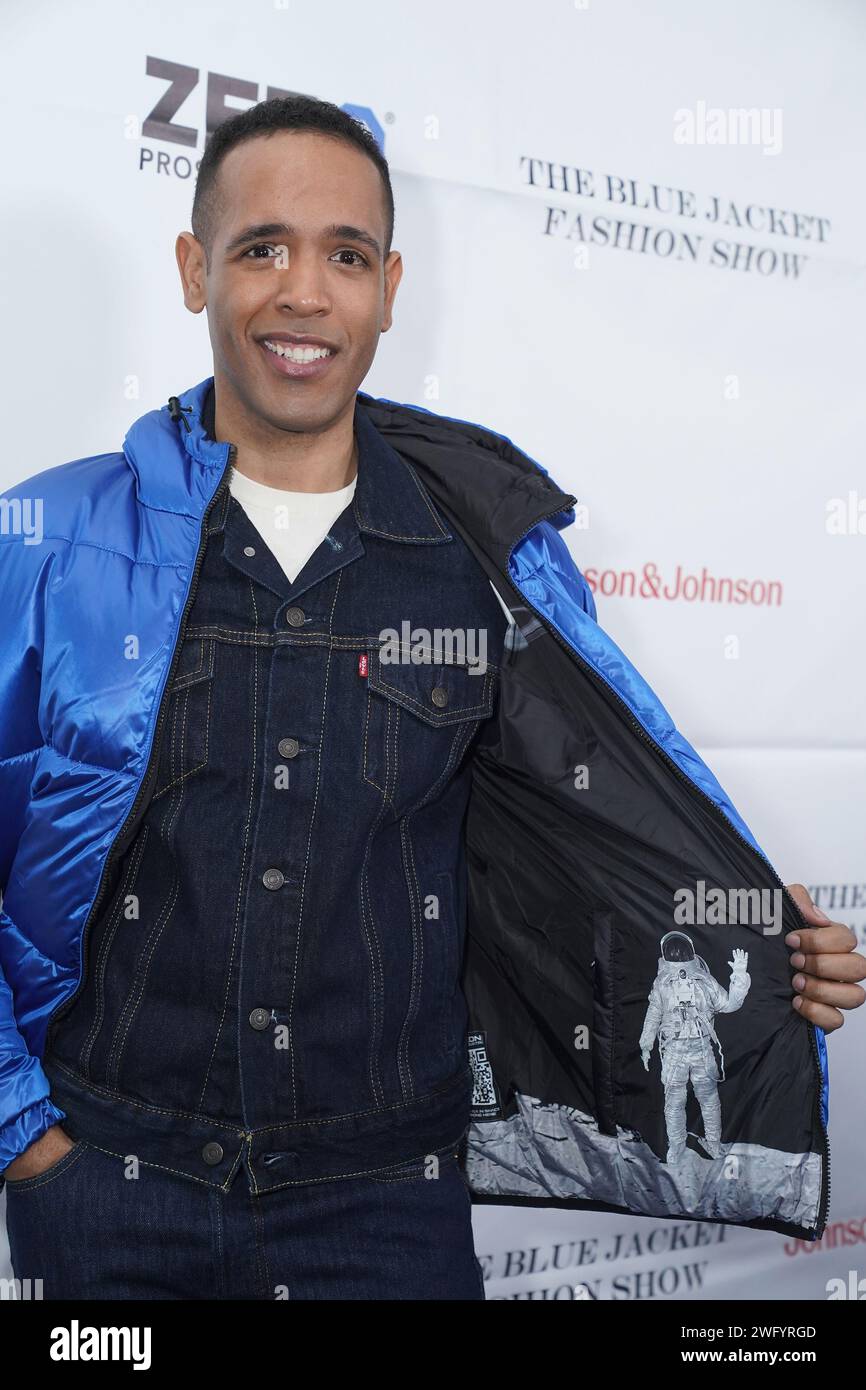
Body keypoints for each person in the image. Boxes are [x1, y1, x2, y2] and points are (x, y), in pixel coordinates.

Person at [2, 95, 864, 1300]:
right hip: (106, 1202)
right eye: (262, 248)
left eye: (345, 255)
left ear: (389, 287)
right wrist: (23, 1131)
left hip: (382, 1214)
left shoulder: (484, 554)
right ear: (196, 269)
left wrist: (757, 930)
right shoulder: (51, 543)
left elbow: (596, 807)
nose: (305, 292)